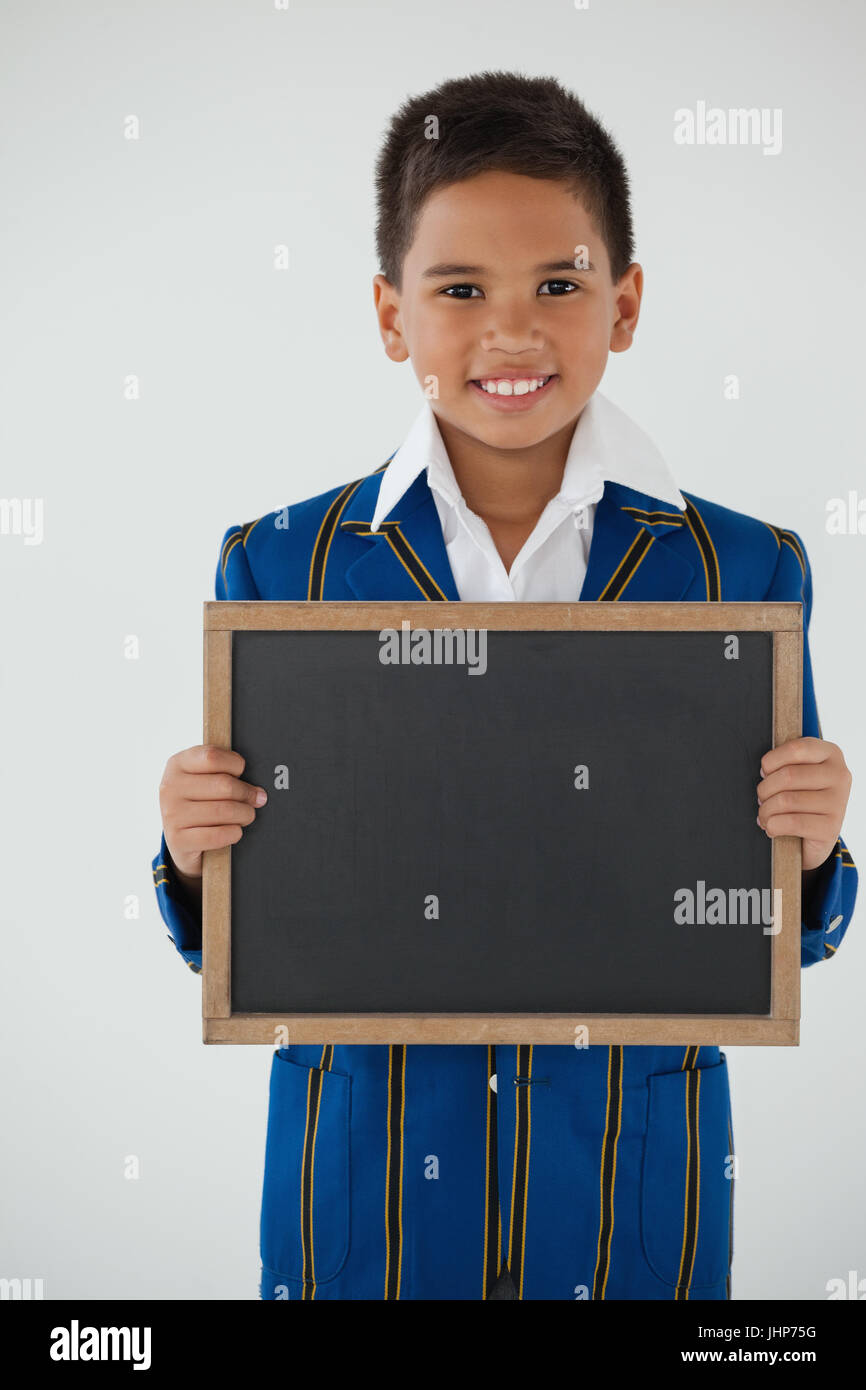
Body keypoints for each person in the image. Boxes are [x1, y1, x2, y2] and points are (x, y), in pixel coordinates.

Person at [152, 71, 857, 1300]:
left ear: (624, 304)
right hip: (359, 1199)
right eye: (459, 289)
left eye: (559, 285)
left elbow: (784, 926)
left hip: (630, 1196)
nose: (512, 332)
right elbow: (250, 927)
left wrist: (812, 842)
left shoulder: (739, 569)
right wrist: (184, 846)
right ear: (389, 314)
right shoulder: (281, 564)